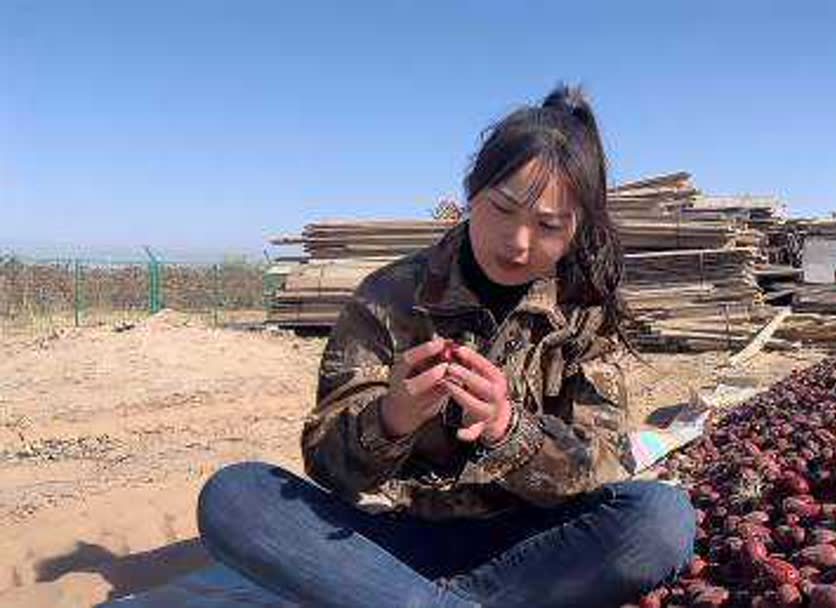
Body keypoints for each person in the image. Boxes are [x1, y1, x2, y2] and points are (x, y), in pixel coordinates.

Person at [196, 84, 696, 608]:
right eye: (502, 210)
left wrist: (510, 429)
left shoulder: (585, 312)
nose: (519, 241)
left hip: (538, 549)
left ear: (575, 230)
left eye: (548, 225)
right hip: (395, 543)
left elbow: (605, 465)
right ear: (470, 193)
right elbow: (327, 470)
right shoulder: (387, 297)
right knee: (235, 497)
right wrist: (391, 419)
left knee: (661, 519)